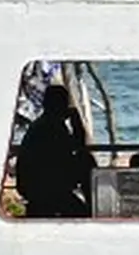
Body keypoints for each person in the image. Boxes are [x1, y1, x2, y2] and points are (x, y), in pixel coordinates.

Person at [12, 83, 95, 218]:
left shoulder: (43, 124)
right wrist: (76, 121)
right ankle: (93, 206)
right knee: (86, 161)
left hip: (36, 184)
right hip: (45, 186)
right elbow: (78, 147)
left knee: (84, 160)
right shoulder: (51, 127)